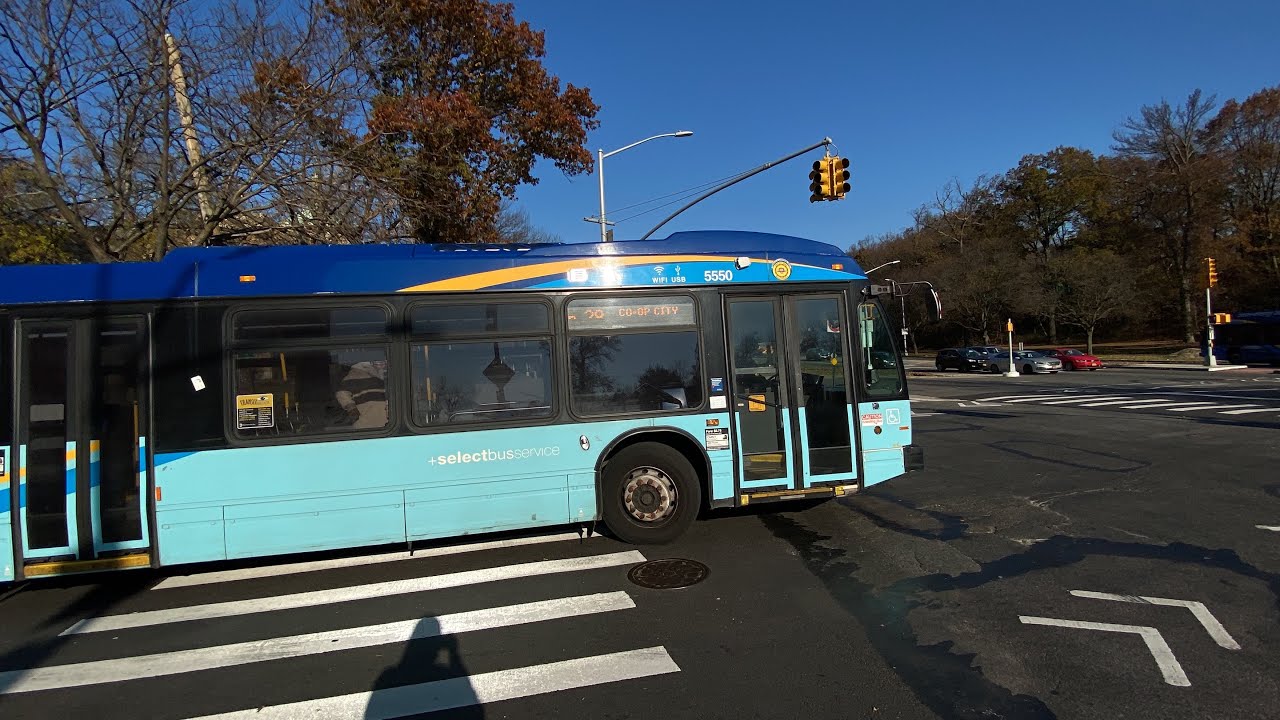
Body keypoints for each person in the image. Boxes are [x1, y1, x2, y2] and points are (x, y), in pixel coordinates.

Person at [335, 359, 387, 429]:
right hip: (366, 424)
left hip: (389, 424)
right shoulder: (355, 374)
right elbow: (341, 393)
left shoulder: (387, 373)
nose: (382, 363)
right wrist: (351, 408)